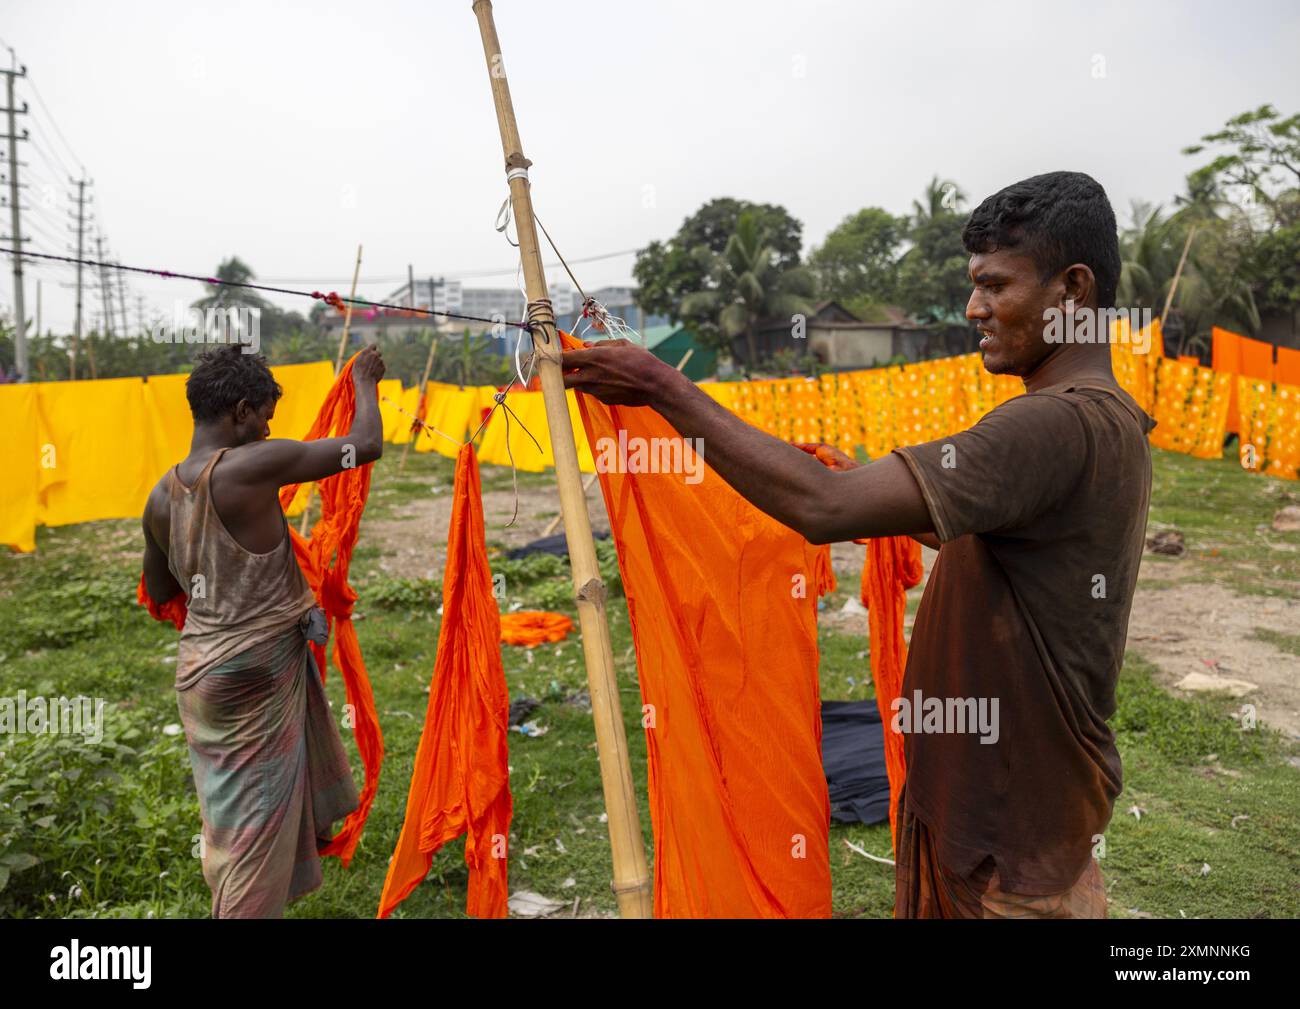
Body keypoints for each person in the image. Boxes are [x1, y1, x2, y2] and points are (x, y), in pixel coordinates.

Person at [561, 171, 1153, 919]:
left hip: (1006, 831)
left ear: (1072, 288)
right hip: (1018, 809)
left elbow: (821, 509)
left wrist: (659, 386)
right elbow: (969, 529)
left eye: (994, 285)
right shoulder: (1107, 418)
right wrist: (865, 484)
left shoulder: (1050, 426)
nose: (974, 308)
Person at [141, 342, 386, 917]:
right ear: (242, 410)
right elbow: (364, 447)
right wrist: (366, 383)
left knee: (232, 826)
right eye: (267, 418)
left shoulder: (160, 495)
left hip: (202, 678)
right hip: (255, 671)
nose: (268, 429)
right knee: (255, 839)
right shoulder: (254, 464)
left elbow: (158, 593)